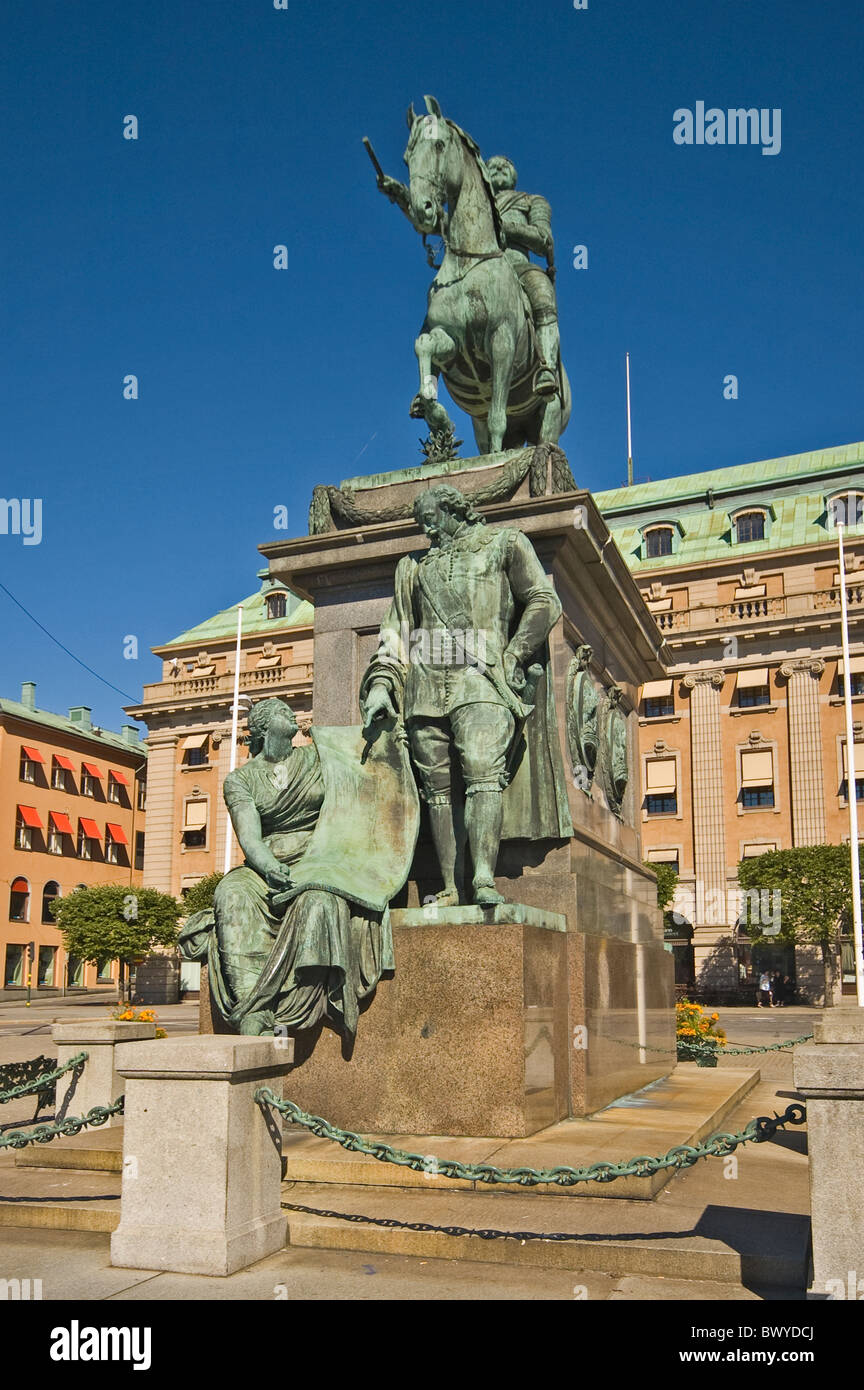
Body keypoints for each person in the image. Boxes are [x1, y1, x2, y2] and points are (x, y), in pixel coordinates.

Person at [360, 483, 572, 907]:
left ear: (453, 509)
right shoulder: (412, 568)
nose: (425, 529)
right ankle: (450, 888)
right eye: (420, 523)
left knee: (481, 774)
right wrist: (382, 683)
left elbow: (544, 601)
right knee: (437, 791)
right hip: (423, 691)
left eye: (430, 519)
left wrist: (513, 655)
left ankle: (482, 878)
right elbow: (395, 632)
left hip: (482, 680)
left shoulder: (504, 544)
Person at [179, 698, 418, 1037]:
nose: (290, 713)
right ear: (262, 728)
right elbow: (250, 837)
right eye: (280, 711)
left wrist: (392, 743)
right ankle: (253, 1008)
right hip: (268, 865)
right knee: (231, 892)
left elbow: (368, 761)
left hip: (324, 857)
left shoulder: (318, 757)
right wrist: (269, 866)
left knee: (319, 901)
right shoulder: (241, 780)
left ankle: (300, 1002)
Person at [486, 155, 561, 398]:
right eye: (492, 166)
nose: (498, 167)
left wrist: (506, 228)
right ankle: (429, 385)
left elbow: (544, 241)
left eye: (505, 165)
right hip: (481, 271)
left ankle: (546, 367)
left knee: (543, 296)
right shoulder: (474, 203)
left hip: (518, 266)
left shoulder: (532, 201)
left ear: (514, 175)